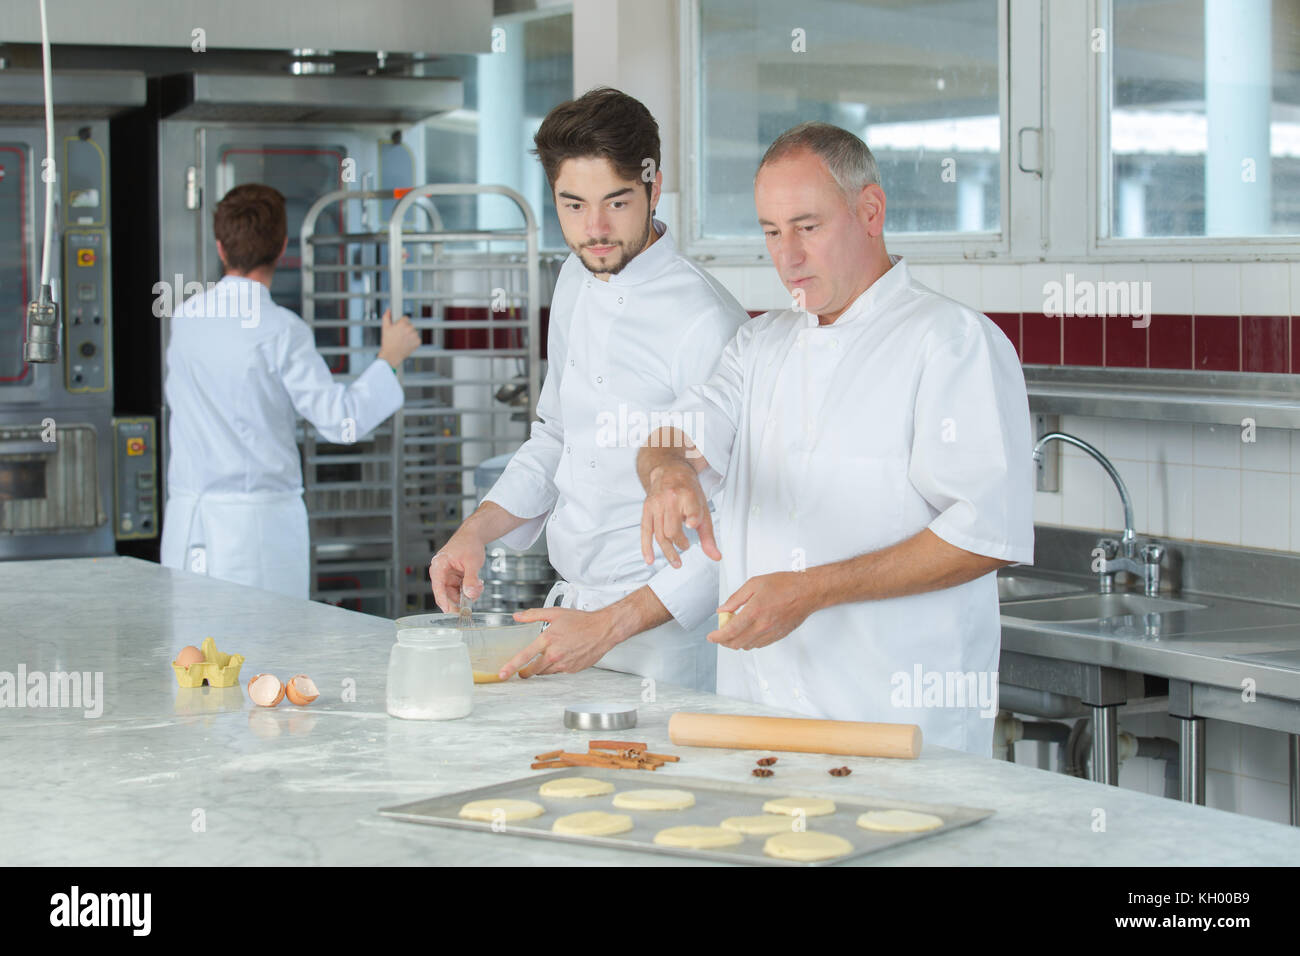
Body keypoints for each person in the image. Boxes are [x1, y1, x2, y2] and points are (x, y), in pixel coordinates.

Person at [636, 123, 1034, 754]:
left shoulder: (952, 343)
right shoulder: (761, 343)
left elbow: (983, 538)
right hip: (757, 724)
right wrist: (666, 473)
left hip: (893, 727)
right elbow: (672, 435)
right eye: (771, 231)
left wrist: (810, 590)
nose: (786, 255)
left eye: (807, 227)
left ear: (869, 211)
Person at [428, 88, 746, 691]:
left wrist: (610, 624)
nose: (594, 230)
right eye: (572, 206)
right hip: (572, 614)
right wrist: (476, 531)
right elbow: (557, 435)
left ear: (654, 184)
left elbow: (732, 523)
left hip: (667, 633)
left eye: (616, 203)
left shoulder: (707, 321)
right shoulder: (575, 279)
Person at [161, 183, 420, 598]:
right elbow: (342, 423)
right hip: (257, 533)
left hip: (186, 526)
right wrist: (389, 358)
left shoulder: (186, 317)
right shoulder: (281, 330)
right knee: (265, 655)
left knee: (195, 658)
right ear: (283, 248)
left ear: (220, 247)